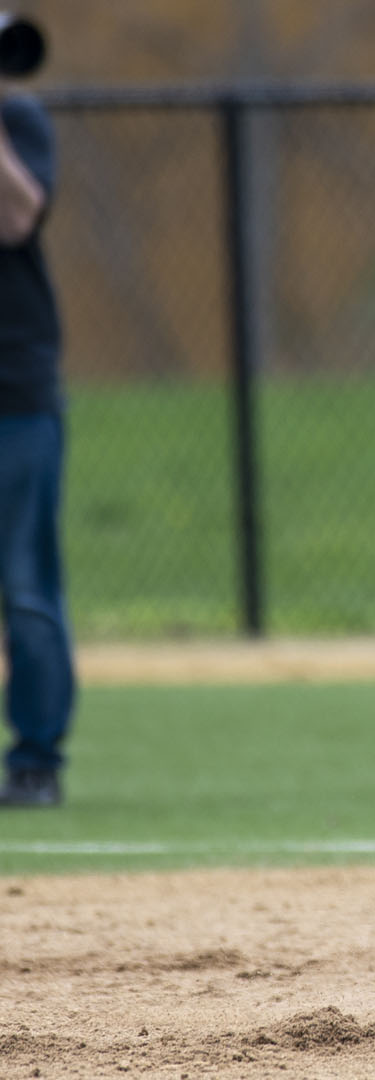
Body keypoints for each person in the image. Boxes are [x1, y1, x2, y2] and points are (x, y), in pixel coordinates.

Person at [0, 74, 69, 809]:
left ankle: (36, 760)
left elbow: (17, 217)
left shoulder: (18, 121)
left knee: (25, 585)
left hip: (15, 394)